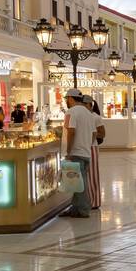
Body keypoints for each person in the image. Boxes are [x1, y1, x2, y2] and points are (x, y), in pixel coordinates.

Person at [61, 90, 97, 218]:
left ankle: (83, 209)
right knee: (77, 183)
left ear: (70, 98)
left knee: (79, 183)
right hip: (85, 152)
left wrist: (68, 151)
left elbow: (71, 131)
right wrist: (86, 145)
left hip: (75, 153)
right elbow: (94, 134)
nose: (66, 101)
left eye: (67, 99)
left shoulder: (71, 112)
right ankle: (75, 209)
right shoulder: (89, 113)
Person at [87, 97, 105, 210]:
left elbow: (102, 134)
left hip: (92, 147)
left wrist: (90, 135)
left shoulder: (95, 117)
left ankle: (95, 201)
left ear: (89, 105)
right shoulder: (85, 116)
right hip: (83, 148)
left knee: (92, 175)